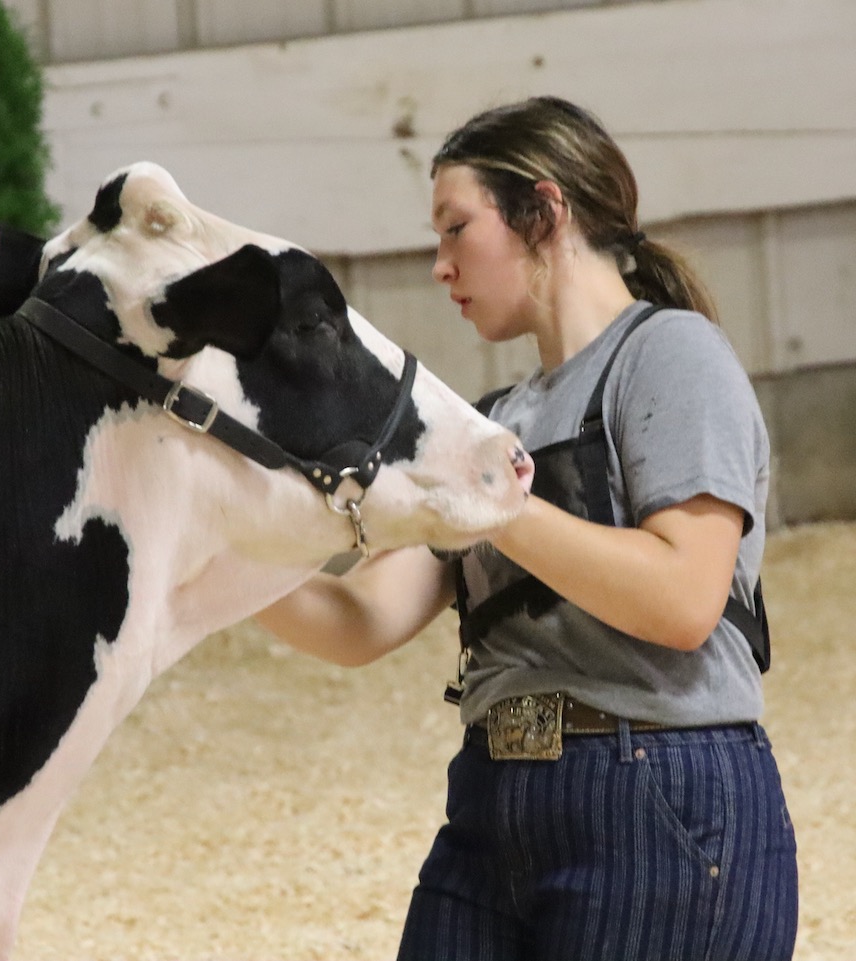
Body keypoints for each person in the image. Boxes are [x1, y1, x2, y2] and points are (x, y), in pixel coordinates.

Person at [257, 96, 798, 961]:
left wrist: (493, 504)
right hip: (491, 797)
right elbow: (360, 623)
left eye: (455, 229)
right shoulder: (492, 425)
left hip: (659, 790)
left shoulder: (669, 355)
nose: (440, 265)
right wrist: (223, 557)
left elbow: (684, 597)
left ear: (544, 212)